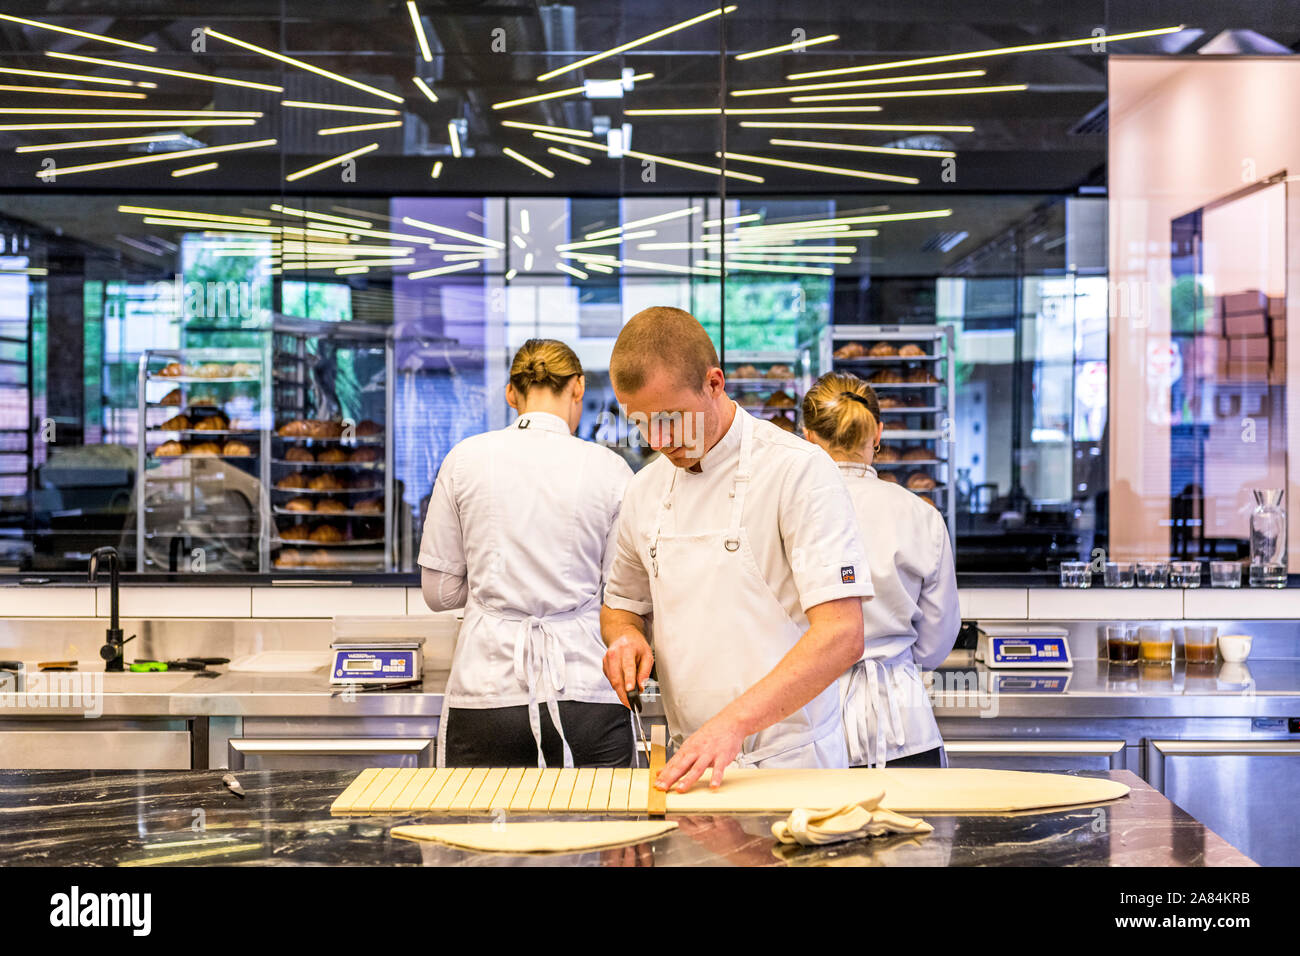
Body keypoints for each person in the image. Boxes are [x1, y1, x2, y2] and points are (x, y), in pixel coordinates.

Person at [600, 306, 872, 793]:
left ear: (715, 383)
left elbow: (842, 635)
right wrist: (626, 639)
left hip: (791, 766)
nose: (659, 440)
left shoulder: (799, 472)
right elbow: (622, 605)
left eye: (671, 419)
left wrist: (731, 724)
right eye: (641, 423)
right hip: (691, 766)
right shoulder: (642, 491)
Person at [419, 339, 635, 768]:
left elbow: (439, 593)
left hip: (489, 689)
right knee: (602, 831)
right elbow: (622, 593)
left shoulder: (465, 459)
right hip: (587, 691)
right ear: (578, 387)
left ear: (510, 393)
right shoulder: (610, 469)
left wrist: (497, 589)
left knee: (480, 833)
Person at [800, 372, 960, 768]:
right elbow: (936, 639)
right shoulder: (921, 515)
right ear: (878, 434)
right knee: (916, 833)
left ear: (807, 437)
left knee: (813, 832)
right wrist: (894, 658)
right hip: (903, 729)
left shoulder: (783, 510)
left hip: (807, 729)